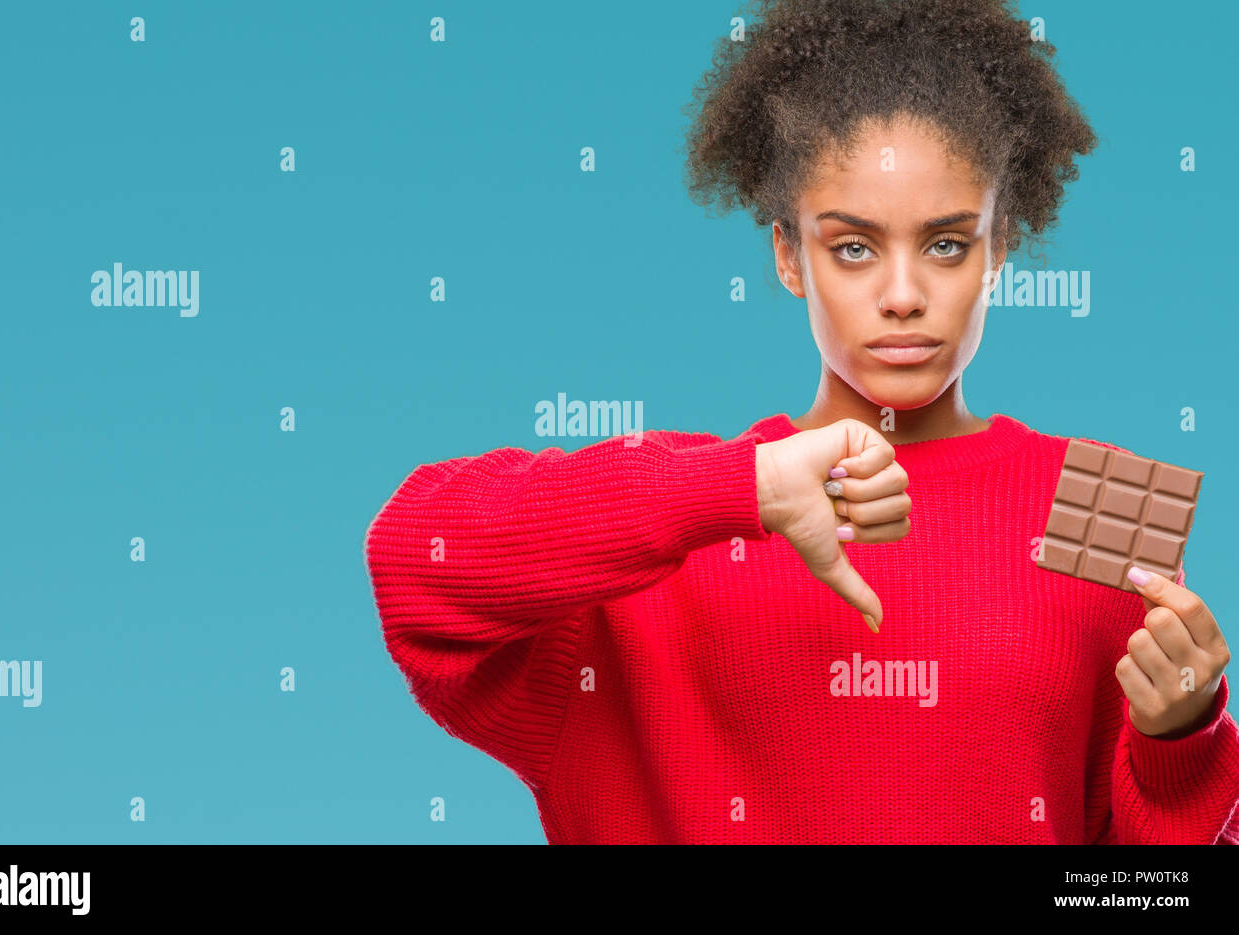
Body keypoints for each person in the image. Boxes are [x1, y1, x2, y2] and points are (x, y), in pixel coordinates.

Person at [364, 0, 1238, 843]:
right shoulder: (661, 548)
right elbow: (411, 560)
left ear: (1000, 246)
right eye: (852, 246)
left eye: (947, 243)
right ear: (788, 255)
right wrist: (740, 486)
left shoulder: (1097, 509)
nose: (903, 296)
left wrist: (1179, 745)